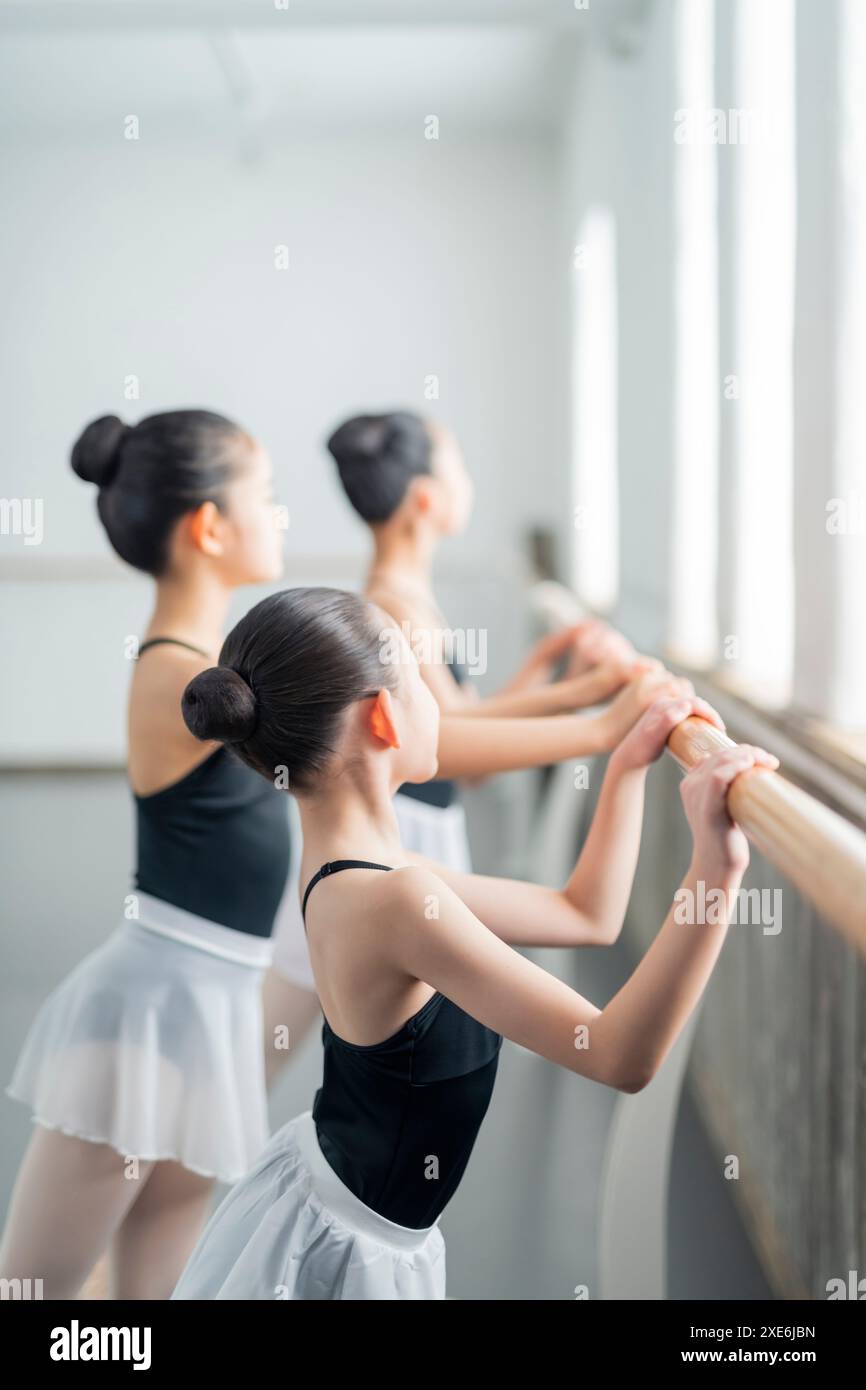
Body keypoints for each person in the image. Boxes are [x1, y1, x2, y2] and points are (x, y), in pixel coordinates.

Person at [172, 586, 777, 1300]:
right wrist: (717, 864)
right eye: (425, 682)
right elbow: (618, 1053)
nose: (443, 702)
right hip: (354, 1251)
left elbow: (584, 914)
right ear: (383, 716)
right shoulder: (396, 900)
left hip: (339, 1200)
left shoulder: (364, 873)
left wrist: (626, 764)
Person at [0, 409, 315, 1300]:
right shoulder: (182, 677)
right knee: (33, 1295)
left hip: (209, 1012)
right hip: (143, 1021)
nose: (283, 516)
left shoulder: (207, 664)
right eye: (270, 498)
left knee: (146, 1300)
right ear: (211, 526)